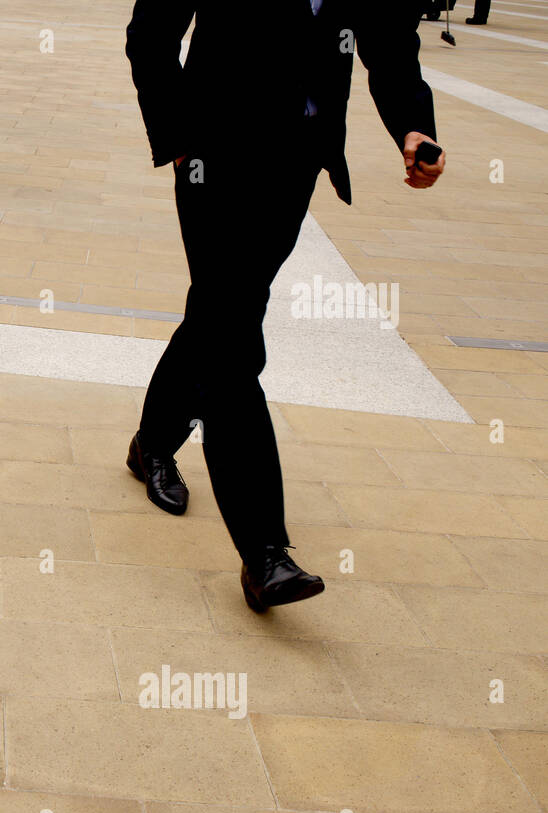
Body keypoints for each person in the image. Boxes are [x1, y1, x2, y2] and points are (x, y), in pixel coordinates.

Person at [125, 0, 446, 612]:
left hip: (295, 163)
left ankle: (153, 440)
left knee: (222, 312)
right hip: (210, 157)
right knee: (233, 338)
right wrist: (175, 137)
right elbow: (152, 30)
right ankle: (264, 553)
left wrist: (414, 124)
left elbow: (387, 39)